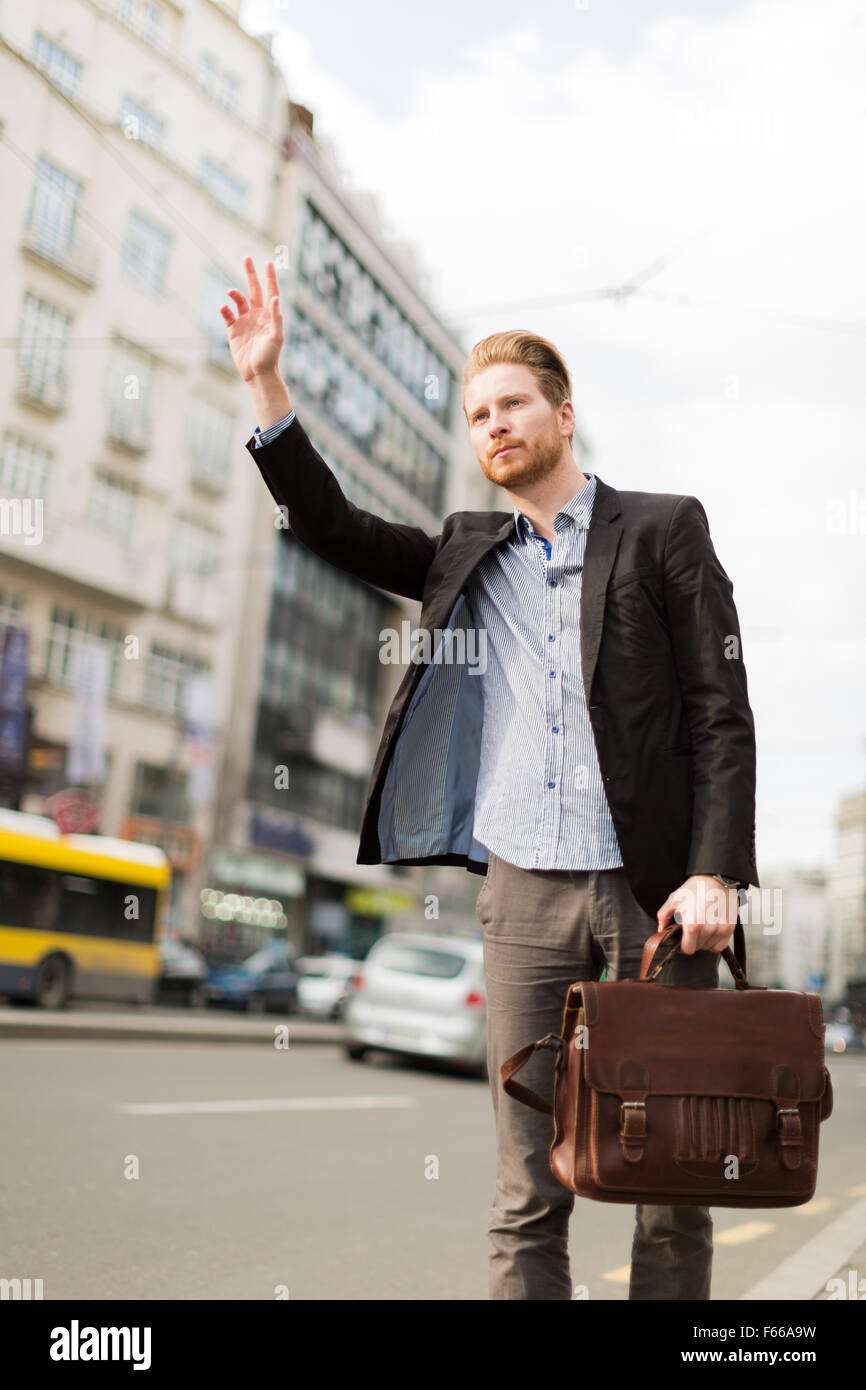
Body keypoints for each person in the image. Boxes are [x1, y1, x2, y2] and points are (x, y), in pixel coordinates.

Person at [220, 258, 759, 1301]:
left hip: (652, 897)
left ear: (562, 412)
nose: (494, 425)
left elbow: (717, 710)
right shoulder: (466, 551)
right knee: (524, 1193)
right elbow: (330, 525)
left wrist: (714, 873)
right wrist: (266, 388)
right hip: (517, 898)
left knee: (671, 1180)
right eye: (476, 415)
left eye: (512, 404)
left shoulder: (660, 529)